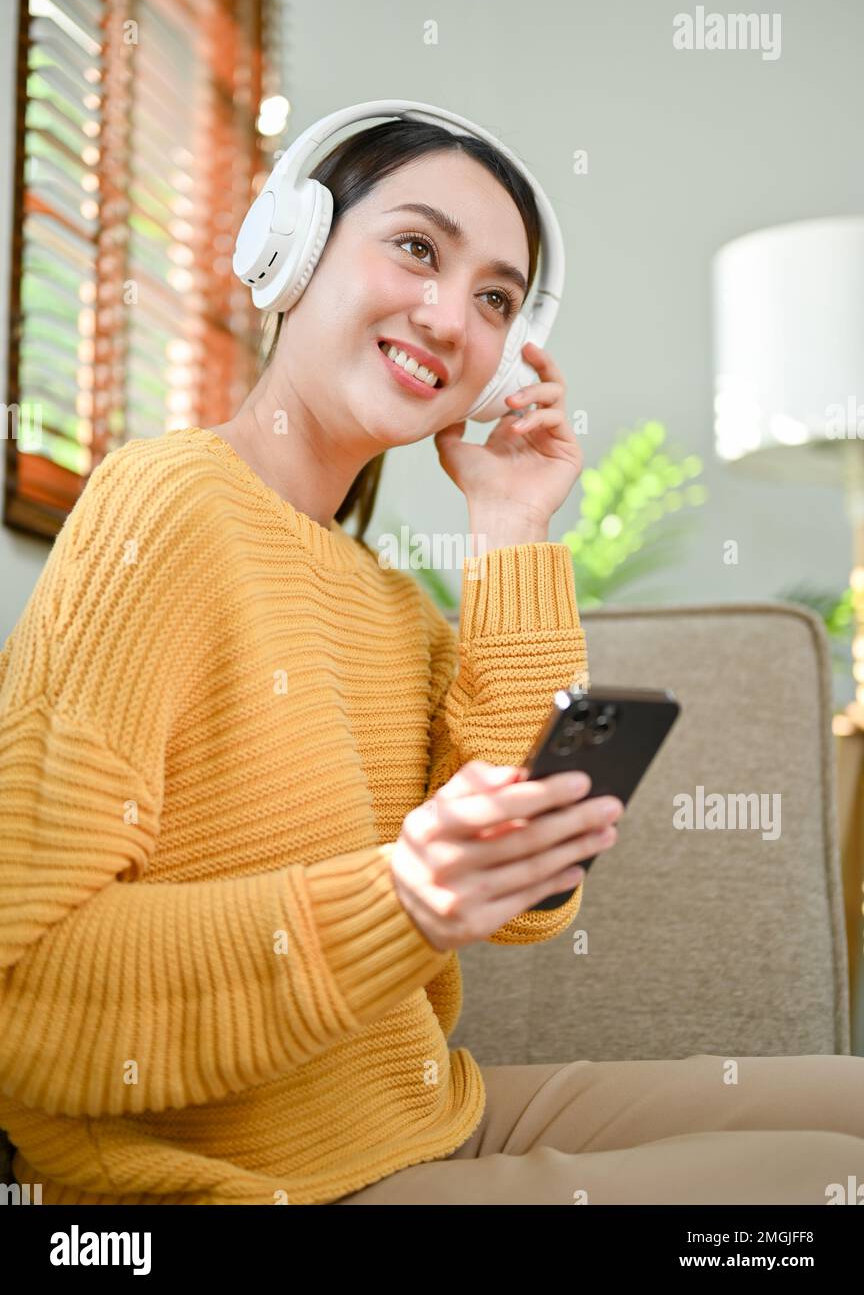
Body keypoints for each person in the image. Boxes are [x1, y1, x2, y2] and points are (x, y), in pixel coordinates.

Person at [0, 115, 861, 1206]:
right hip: (247, 1178)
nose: (452, 316)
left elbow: (526, 909)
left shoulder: (390, 604)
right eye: (417, 248)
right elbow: (20, 982)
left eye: (497, 297)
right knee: (834, 1184)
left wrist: (510, 522)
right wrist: (396, 899)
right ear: (292, 249)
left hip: (421, 1111)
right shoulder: (165, 505)